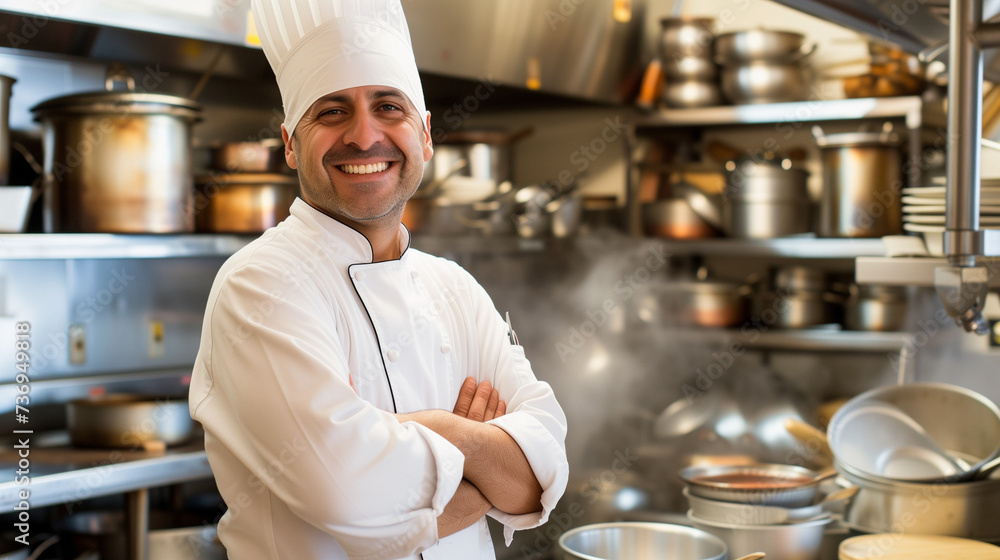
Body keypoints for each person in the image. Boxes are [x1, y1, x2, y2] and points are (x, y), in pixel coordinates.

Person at [188, 1, 569, 558]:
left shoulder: (455, 288)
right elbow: (350, 498)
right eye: (332, 111)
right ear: (291, 143)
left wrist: (421, 442)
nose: (364, 136)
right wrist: (480, 454)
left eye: (389, 106)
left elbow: (544, 469)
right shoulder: (260, 287)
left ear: (425, 134)